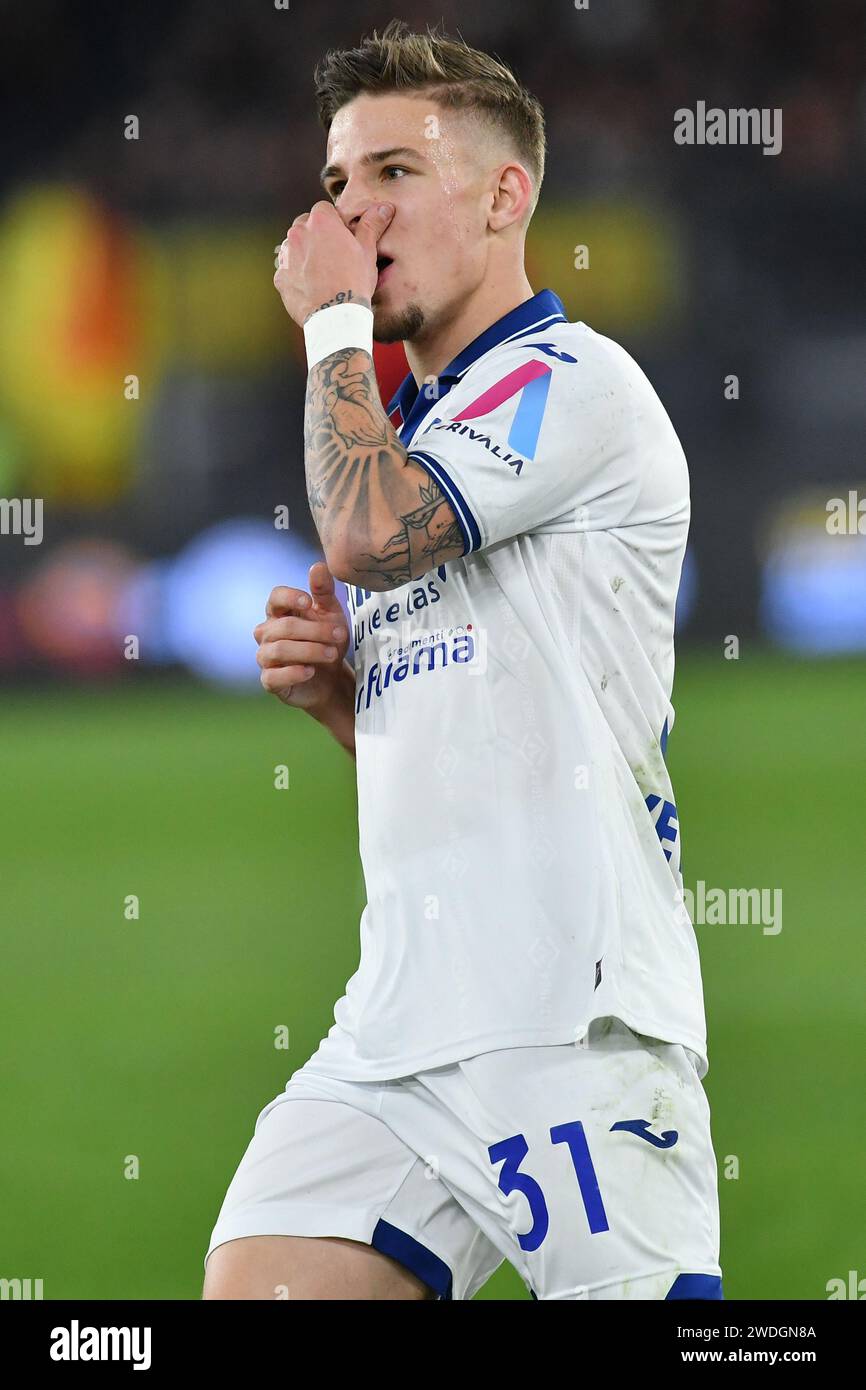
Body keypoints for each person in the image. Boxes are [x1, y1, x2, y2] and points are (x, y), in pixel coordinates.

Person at [203, 20, 721, 1301]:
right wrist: (346, 702)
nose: (353, 214)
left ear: (504, 197)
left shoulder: (570, 379)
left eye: (393, 173)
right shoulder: (415, 431)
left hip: (568, 1018)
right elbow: (478, 721)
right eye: (336, 185)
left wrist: (331, 327)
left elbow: (371, 536)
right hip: (397, 1030)